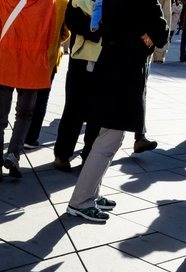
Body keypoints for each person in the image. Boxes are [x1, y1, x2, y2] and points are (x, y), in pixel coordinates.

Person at [65, 0, 167, 221]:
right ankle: (81, 201)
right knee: (109, 139)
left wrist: (145, 36)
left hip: (108, 63)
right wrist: (147, 37)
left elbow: (102, 24)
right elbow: (161, 33)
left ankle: (92, 192)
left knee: (108, 135)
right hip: (126, 72)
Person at [0, 0, 57, 181]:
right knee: (24, 115)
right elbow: (50, 35)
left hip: (6, 59)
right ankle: (13, 155)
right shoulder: (49, 3)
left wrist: (7, 45)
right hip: (33, 63)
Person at [51, 0, 101, 171]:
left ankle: (89, 156)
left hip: (105, 60)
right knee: (73, 107)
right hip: (81, 58)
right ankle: (62, 154)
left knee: (97, 112)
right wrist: (95, 31)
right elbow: (71, 20)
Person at [23, 0, 70, 148]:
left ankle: (20, 134)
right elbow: (66, 32)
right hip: (48, 57)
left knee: (24, 99)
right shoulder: (63, 2)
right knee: (42, 98)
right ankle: (31, 138)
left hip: (27, 55)